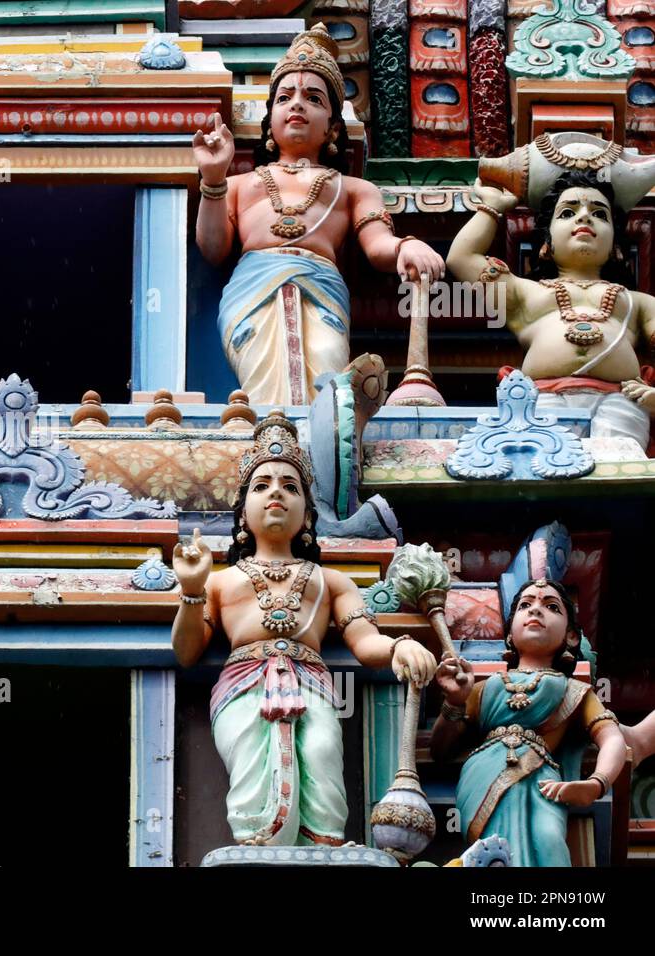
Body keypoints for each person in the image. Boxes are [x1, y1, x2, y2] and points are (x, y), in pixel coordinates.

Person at [171, 410, 437, 845]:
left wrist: (399, 646)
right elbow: (186, 651)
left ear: (308, 517)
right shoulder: (219, 582)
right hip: (244, 687)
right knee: (255, 769)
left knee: (321, 753)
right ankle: (257, 846)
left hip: (312, 683)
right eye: (262, 485)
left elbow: (364, 640)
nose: (276, 492)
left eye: (290, 486)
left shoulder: (331, 582)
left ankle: (323, 849)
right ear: (243, 515)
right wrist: (191, 589)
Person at [192, 24, 445, 406]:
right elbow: (212, 248)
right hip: (253, 294)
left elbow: (377, 246)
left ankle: (314, 448)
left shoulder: (353, 189)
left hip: (321, 293)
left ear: (332, 127)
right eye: (285, 97)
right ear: (271, 121)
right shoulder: (242, 184)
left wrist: (406, 246)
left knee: (325, 365)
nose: (297, 104)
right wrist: (213, 179)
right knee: (262, 377)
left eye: (313, 98)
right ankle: (272, 446)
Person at [447, 170, 655, 451]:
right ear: (546, 244)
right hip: (541, 400)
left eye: (600, 214)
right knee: (545, 468)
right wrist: (491, 207)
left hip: (619, 400)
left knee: (618, 466)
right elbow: (462, 258)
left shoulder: (637, 302)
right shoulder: (525, 294)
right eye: (568, 212)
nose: (584, 217)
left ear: (616, 247)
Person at [432, 579, 627, 867]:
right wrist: (455, 702)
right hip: (483, 777)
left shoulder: (575, 691)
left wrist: (597, 783)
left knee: (548, 839)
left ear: (571, 635)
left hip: (542, 781)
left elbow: (611, 738)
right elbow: (440, 750)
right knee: (490, 849)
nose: (535, 610)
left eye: (550, 606)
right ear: (509, 632)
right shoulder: (484, 687)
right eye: (526, 605)